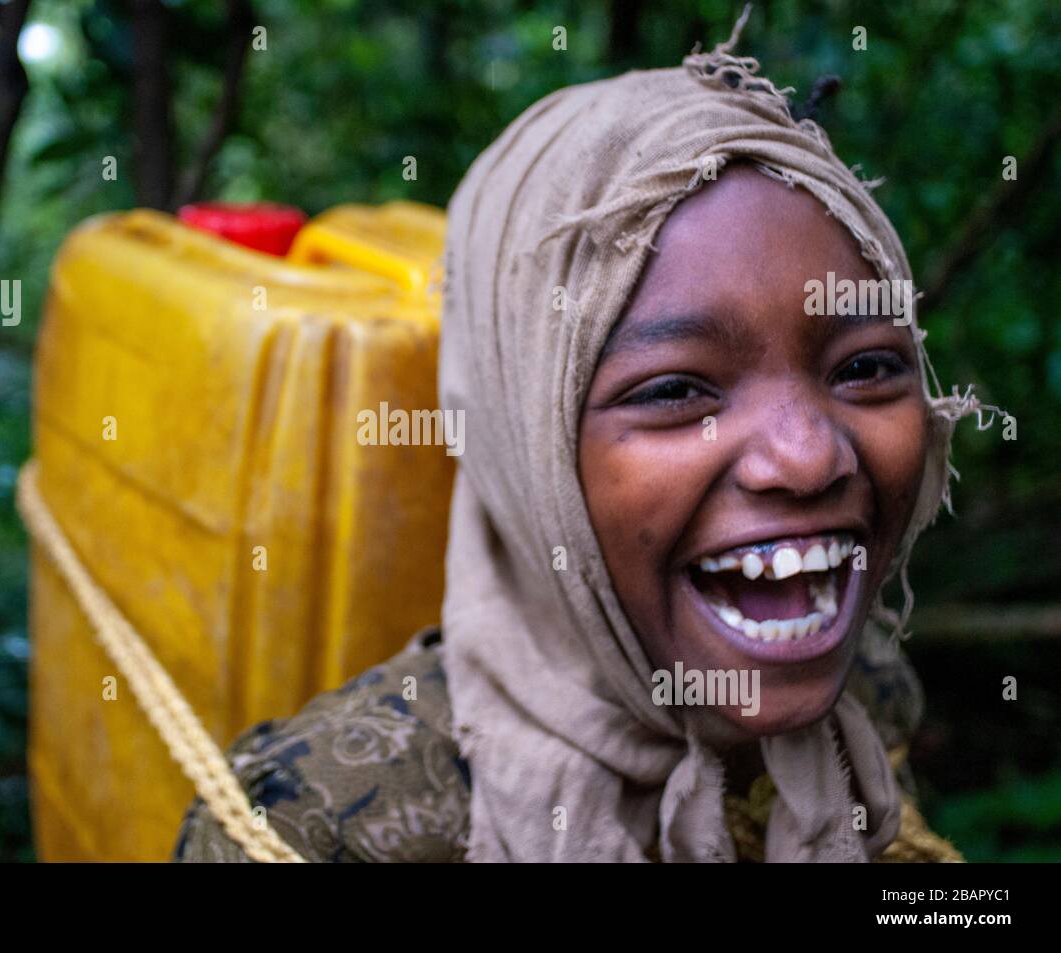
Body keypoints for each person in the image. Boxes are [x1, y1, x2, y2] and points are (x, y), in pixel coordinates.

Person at [174, 13, 979, 863]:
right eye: (675, 390)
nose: (810, 454)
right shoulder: (308, 829)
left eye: (862, 370)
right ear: (526, 445)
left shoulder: (871, 687)